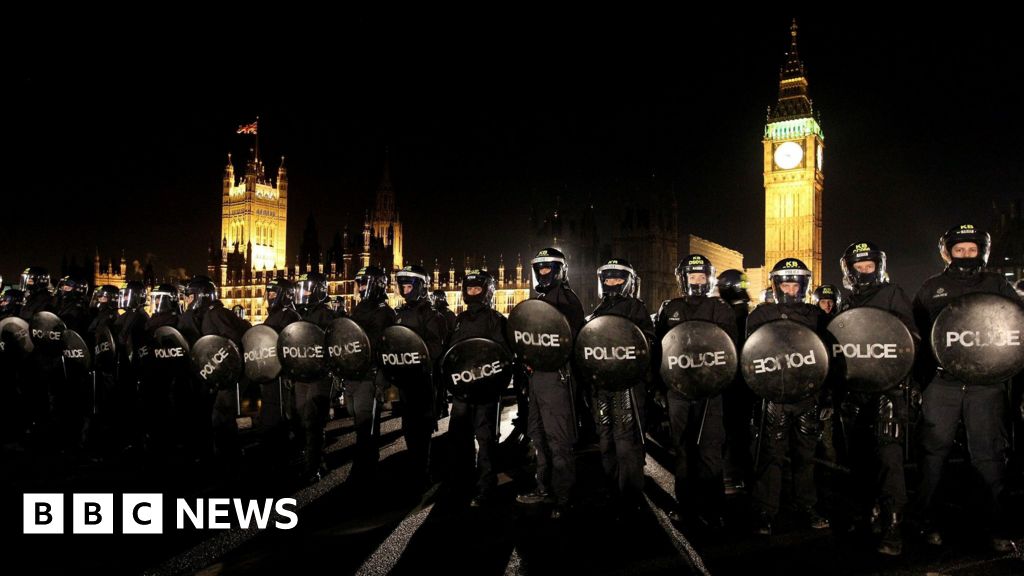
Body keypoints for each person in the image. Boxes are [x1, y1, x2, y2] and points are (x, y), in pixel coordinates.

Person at [911, 225, 1022, 552]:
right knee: (933, 454)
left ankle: (996, 526)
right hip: (942, 384)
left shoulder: (997, 284)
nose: (965, 255)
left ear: (981, 252)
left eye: (971, 250)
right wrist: (919, 383)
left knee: (989, 456)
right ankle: (925, 521)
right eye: (959, 250)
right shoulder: (933, 288)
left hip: (986, 384)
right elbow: (915, 337)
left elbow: (1018, 328)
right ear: (948, 252)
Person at [835, 241, 919, 555]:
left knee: (889, 460)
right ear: (850, 269)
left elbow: (910, 339)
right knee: (859, 460)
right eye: (859, 266)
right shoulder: (846, 300)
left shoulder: (893, 294)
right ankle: (868, 513)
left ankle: (893, 523)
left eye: (869, 266)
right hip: (856, 391)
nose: (864, 271)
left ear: (878, 267)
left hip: (888, 390)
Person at [747, 258, 830, 536]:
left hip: (808, 395)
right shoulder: (760, 315)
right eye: (786, 282)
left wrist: (826, 398)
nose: (791, 288)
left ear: (803, 285)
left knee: (805, 456)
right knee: (771, 455)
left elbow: (828, 358)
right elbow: (750, 358)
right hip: (774, 397)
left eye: (796, 283)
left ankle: (807, 505)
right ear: (777, 284)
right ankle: (765, 510)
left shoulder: (816, 315)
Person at [655, 255, 736, 529]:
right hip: (678, 391)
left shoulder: (721, 309)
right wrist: (659, 387)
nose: (697, 281)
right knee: (683, 450)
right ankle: (686, 506)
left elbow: (730, 351)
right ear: (684, 278)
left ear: (709, 278)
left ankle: (714, 508)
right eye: (693, 276)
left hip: (710, 391)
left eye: (702, 277)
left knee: (710, 451)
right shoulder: (671, 308)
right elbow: (660, 351)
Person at [516, 248, 585, 519]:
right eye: (540, 269)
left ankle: (563, 495)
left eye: (549, 268)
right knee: (538, 435)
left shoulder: (568, 301)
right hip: (536, 378)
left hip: (558, 377)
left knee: (558, 440)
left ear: (560, 270)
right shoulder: (539, 299)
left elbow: (570, 341)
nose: (544, 273)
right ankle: (543, 487)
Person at [587, 258, 654, 518]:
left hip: (627, 385)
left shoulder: (635, 308)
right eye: (608, 278)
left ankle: (631, 493)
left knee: (627, 443)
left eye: (617, 278)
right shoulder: (599, 309)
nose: (611, 283)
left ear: (628, 282)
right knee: (606, 439)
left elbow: (647, 344)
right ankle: (612, 487)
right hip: (603, 385)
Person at [447, 269, 513, 507]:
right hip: (463, 389)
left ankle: (486, 486)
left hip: (486, 388)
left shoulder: (497, 320)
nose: (473, 293)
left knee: (485, 439)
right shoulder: (460, 320)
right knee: (459, 436)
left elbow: (503, 355)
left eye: (477, 289)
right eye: (469, 289)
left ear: (487, 291)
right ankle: (463, 481)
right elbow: (452, 353)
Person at [394, 264, 444, 493]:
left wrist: (414, 350)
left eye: (408, 286)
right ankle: (415, 468)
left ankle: (423, 474)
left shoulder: (431, 315)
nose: (404, 290)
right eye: (401, 286)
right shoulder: (401, 313)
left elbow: (434, 348)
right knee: (408, 428)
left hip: (423, 380)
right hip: (405, 380)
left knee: (421, 430)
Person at [346, 266, 397, 484]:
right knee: (358, 418)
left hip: (370, 373)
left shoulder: (385, 312)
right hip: (354, 373)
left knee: (366, 423)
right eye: (360, 283)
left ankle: (364, 467)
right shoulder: (359, 309)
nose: (360, 288)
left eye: (365, 283)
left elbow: (386, 347)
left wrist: (382, 379)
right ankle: (367, 461)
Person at [293, 271, 337, 484]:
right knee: (303, 418)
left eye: (307, 289)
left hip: (319, 374)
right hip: (302, 372)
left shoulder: (326, 314)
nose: (303, 293)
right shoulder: (301, 312)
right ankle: (316, 459)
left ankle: (314, 467)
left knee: (313, 421)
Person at [716, 269, 754, 492]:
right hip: (745, 380)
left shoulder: (727, 313)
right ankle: (744, 475)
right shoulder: (746, 310)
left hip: (730, 380)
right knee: (741, 431)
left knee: (729, 430)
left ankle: (731, 474)